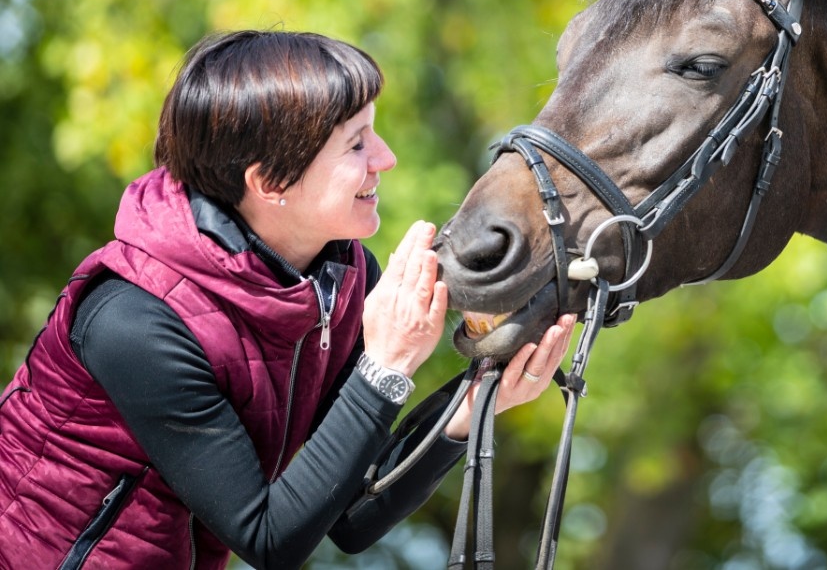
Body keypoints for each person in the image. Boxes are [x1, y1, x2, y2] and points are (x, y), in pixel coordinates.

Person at [0, 30, 575, 569]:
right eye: (356, 143)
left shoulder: (340, 277)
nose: (386, 157)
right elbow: (268, 540)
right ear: (270, 183)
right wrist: (387, 365)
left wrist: (471, 410)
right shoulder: (134, 320)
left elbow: (345, 515)